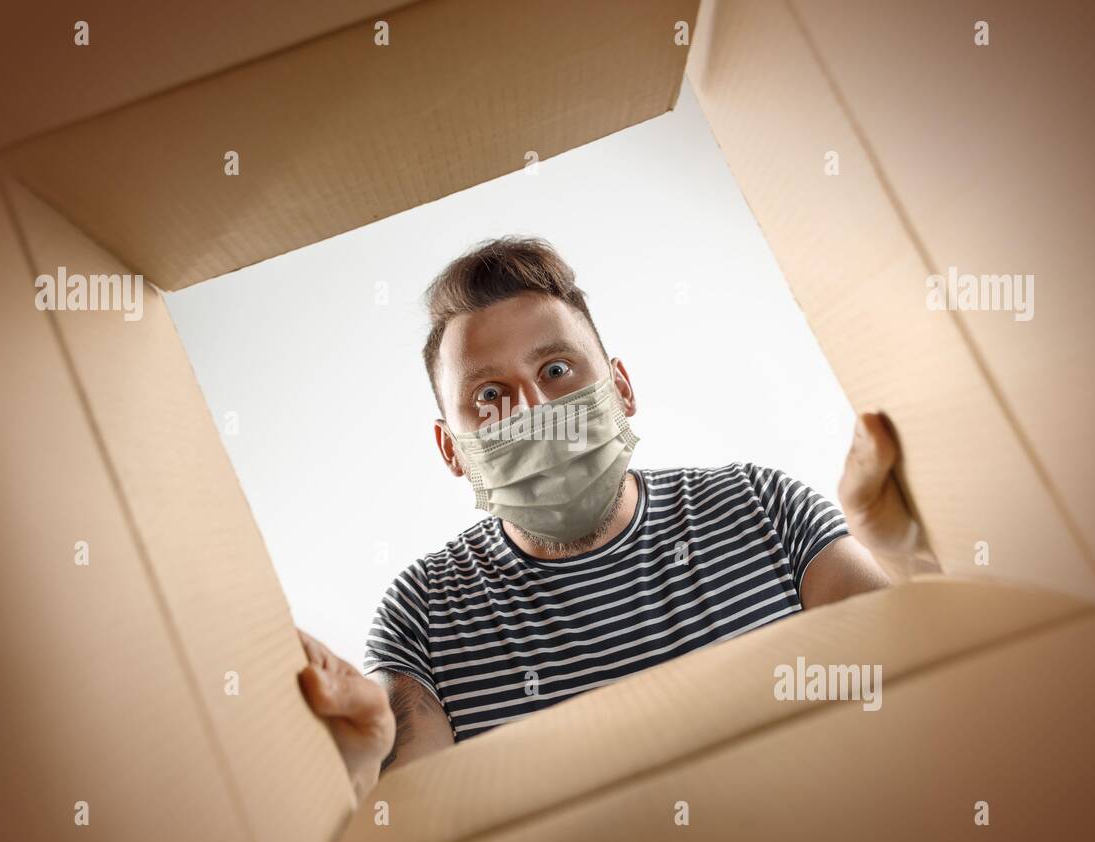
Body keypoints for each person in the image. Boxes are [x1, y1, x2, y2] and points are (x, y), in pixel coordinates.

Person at [296, 236, 938, 803]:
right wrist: (361, 783)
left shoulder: (763, 508)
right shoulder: (426, 612)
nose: (535, 412)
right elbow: (421, 820)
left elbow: (926, 688)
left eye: (556, 370)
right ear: (450, 450)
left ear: (621, 388)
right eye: (489, 396)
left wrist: (911, 556)